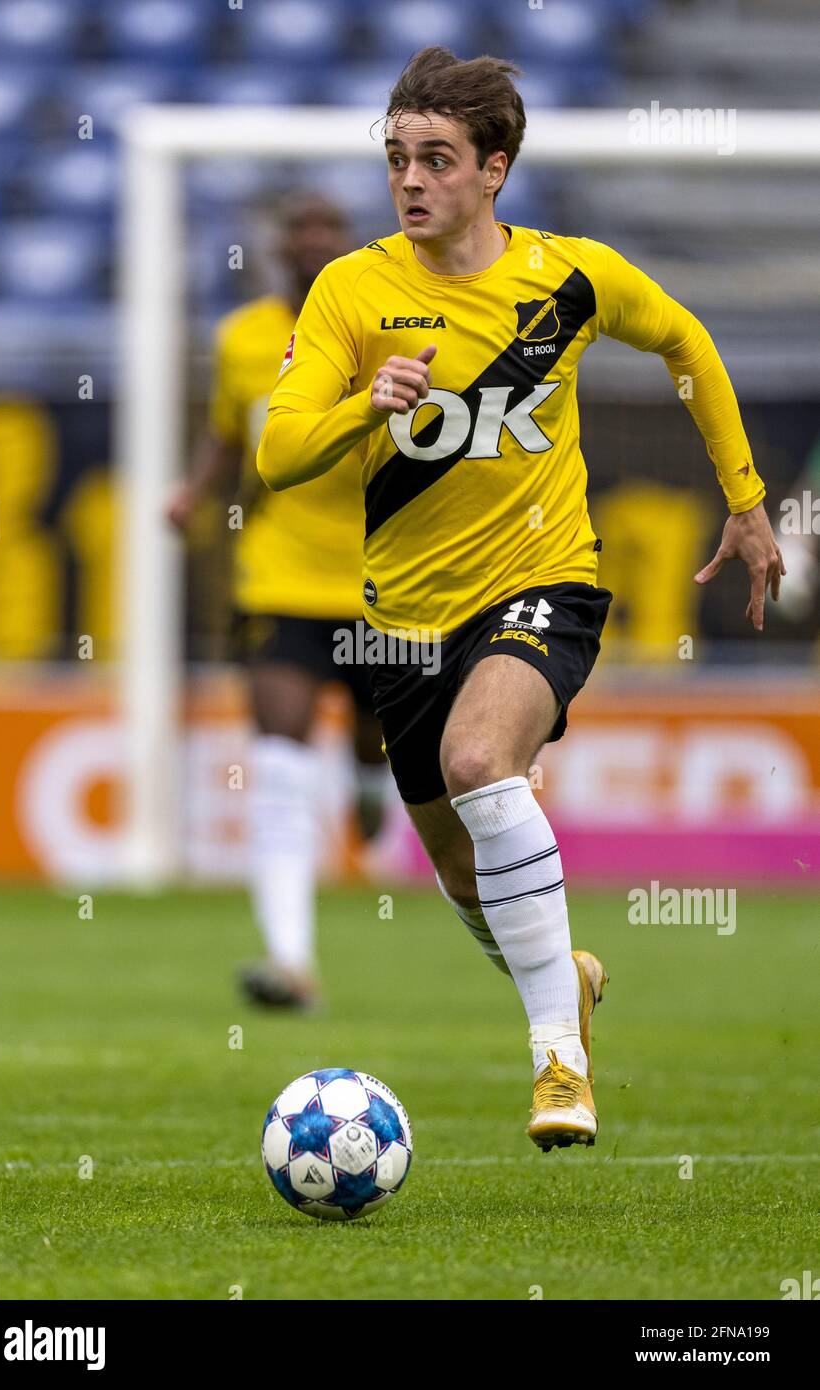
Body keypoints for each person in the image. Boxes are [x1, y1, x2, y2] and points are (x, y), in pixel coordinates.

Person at [255, 46, 784, 1150]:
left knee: (479, 762)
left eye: (436, 159)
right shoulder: (351, 289)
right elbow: (276, 452)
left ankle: (555, 1062)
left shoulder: (570, 276)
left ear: (492, 168)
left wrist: (742, 499)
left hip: (542, 581)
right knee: (461, 874)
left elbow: (682, 338)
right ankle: (566, 981)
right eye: (397, 156)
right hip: (401, 621)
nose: (409, 181)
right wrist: (365, 407)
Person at [168, 192, 390, 1011]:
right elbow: (232, 430)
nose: (313, 244)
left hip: (381, 580)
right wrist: (193, 493)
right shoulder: (243, 339)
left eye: (327, 232)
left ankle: (371, 794)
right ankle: (290, 960)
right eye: (299, 233)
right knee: (280, 760)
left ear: (345, 246)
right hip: (280, 578)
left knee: (375, 745)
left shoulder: (383, 330)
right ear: (278, 248)